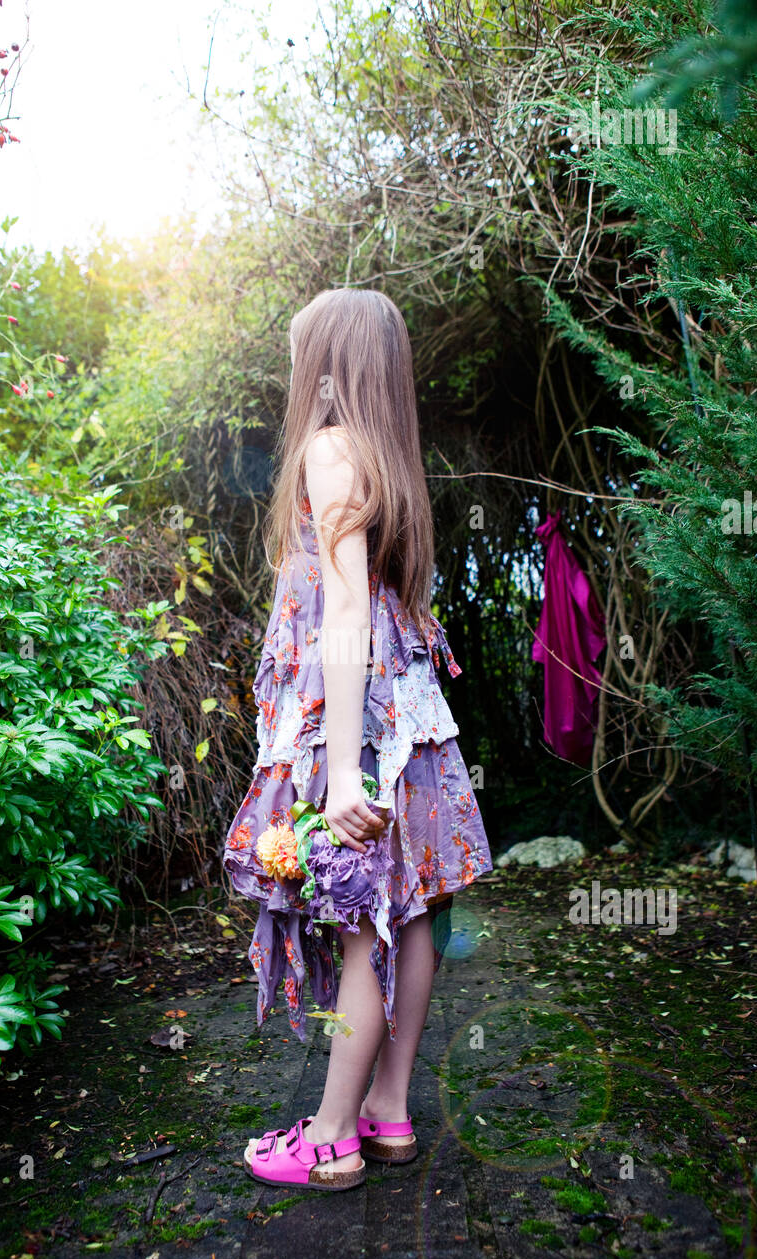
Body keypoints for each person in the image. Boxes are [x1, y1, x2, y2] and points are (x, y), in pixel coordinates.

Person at [223, 287, 493, 1191]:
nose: (296, 377)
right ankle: (387, 1110)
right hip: (409, 719)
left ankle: (332, 1134)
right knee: (411, 912)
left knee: (356, 929)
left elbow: (343, 613)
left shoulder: (333, 450)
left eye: (303, 358)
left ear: (330, 368)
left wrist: (339, 772)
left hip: (362, 728)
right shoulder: (387, 459)